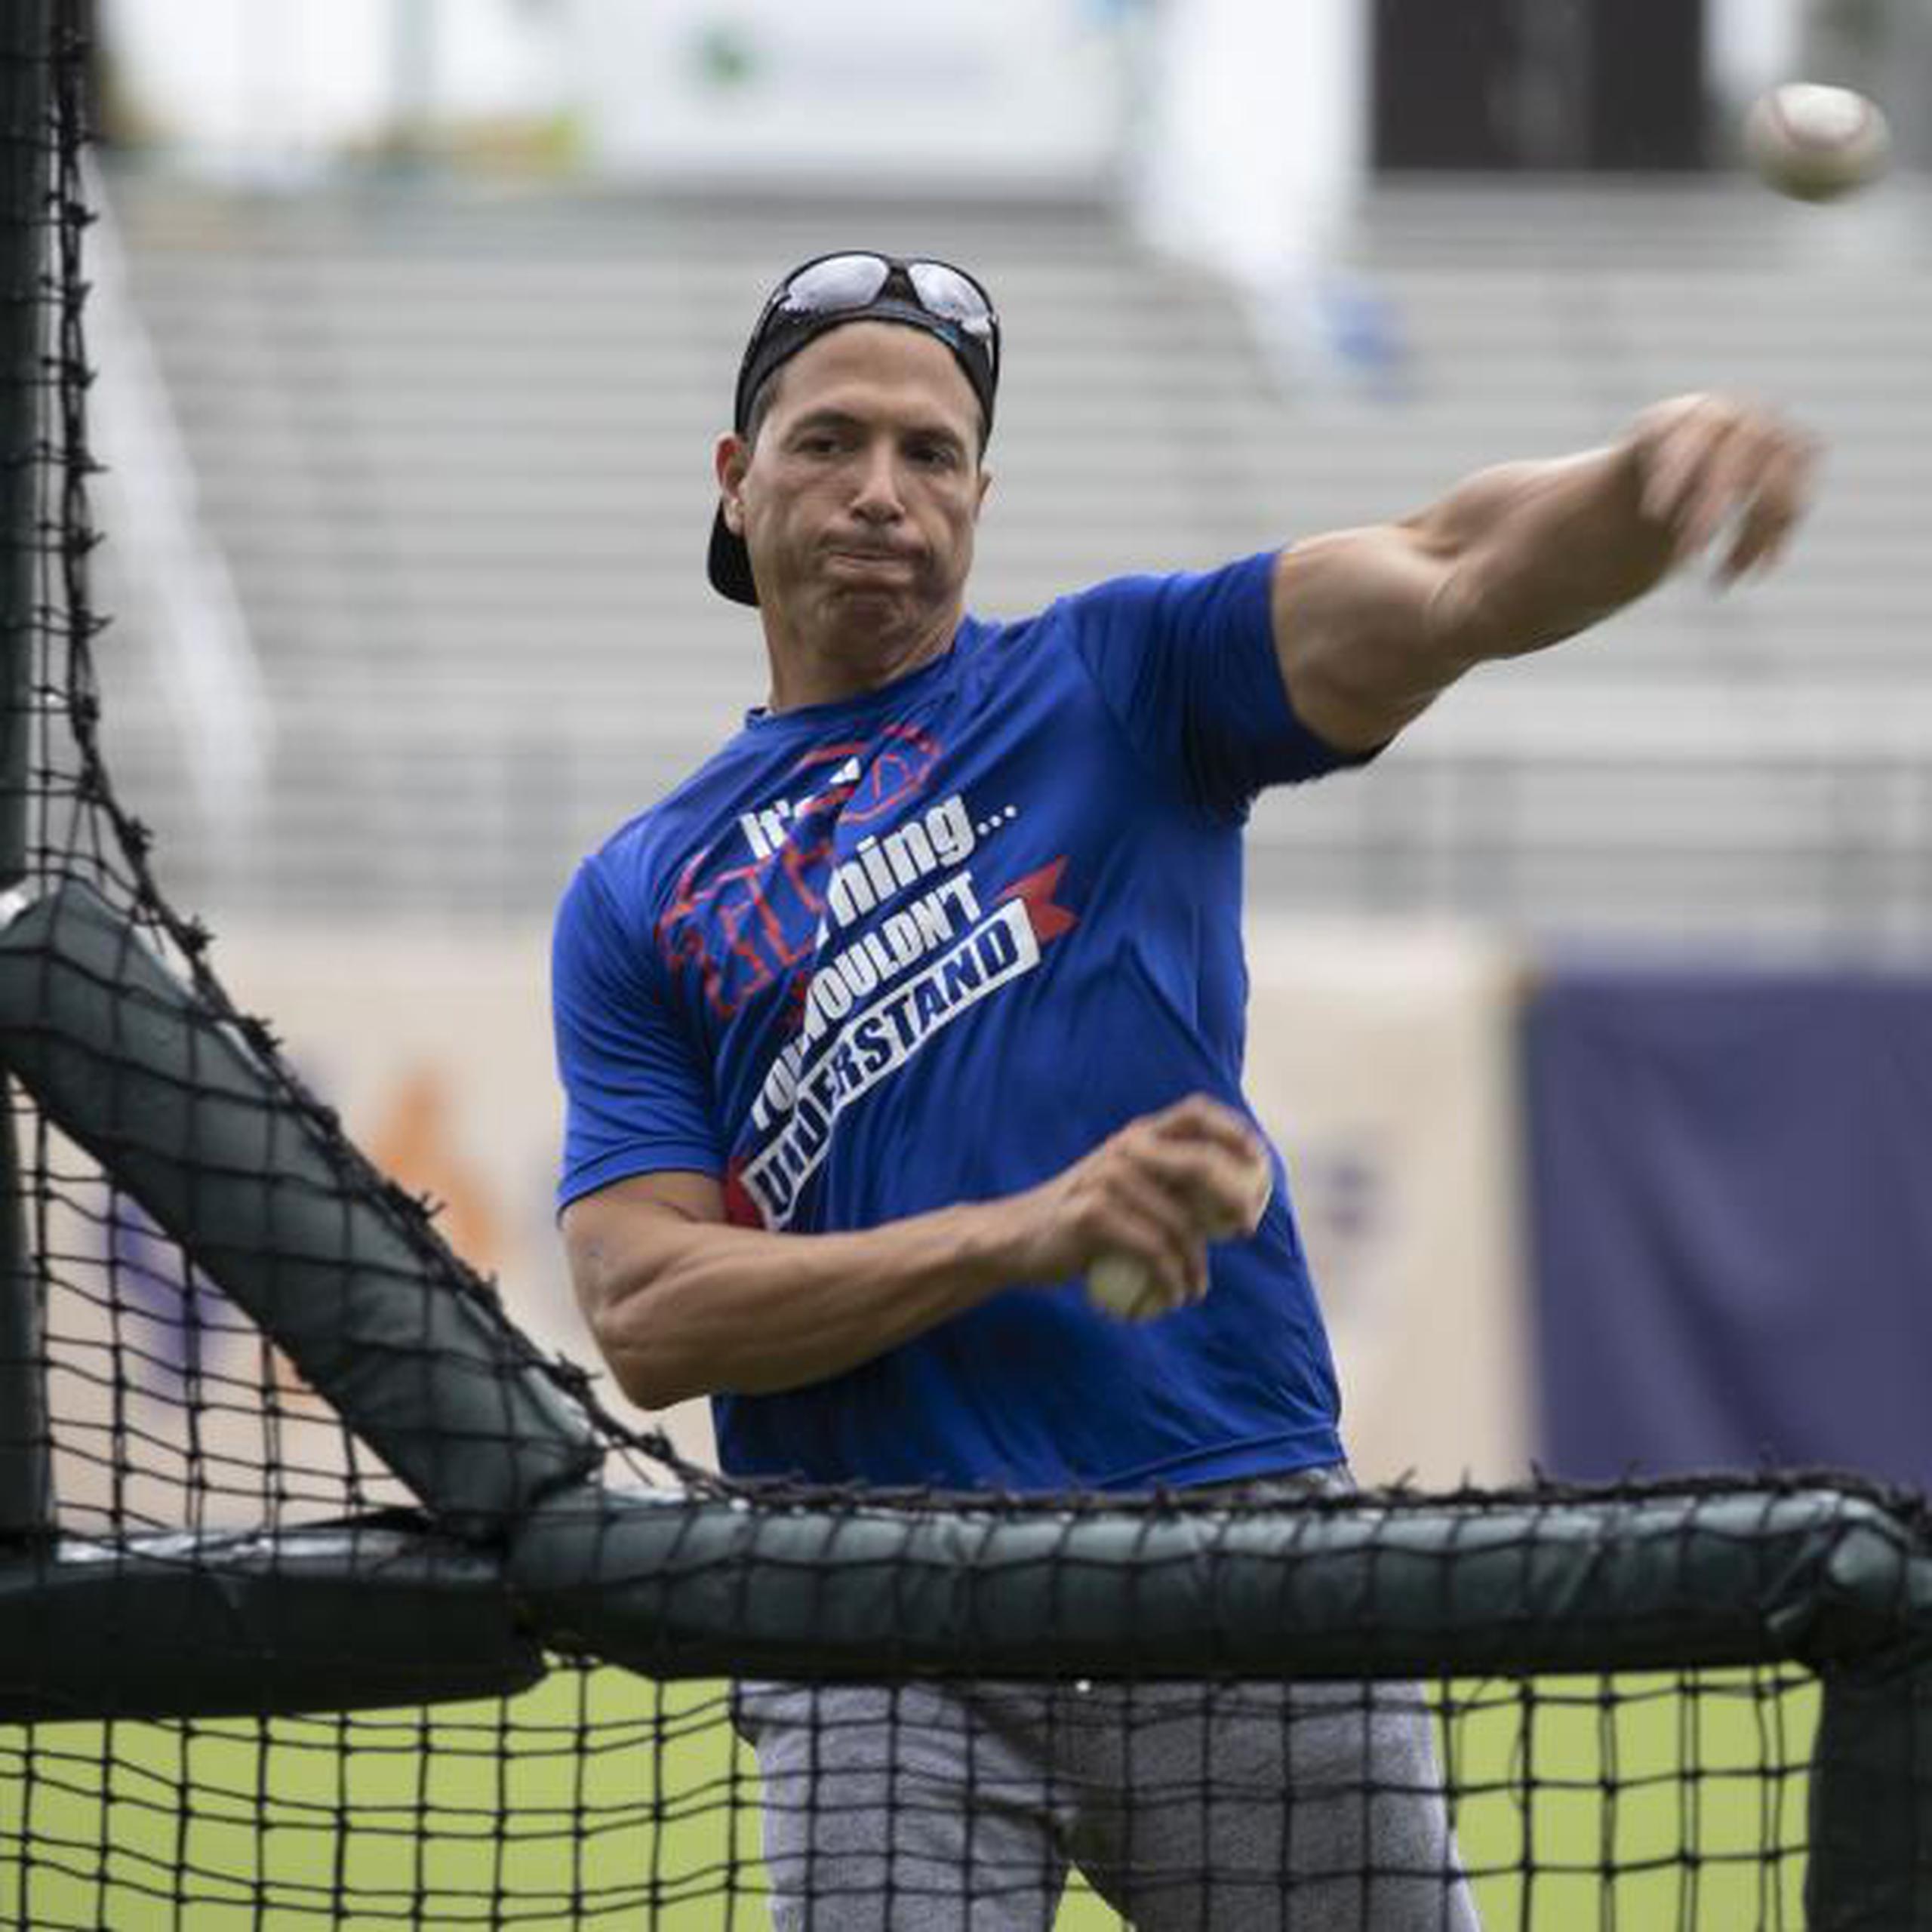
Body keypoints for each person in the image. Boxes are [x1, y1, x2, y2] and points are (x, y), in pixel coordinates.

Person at [551, 251, 1816, 1930]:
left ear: (981, 496)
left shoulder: (1116, 679)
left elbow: (1445, 571)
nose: (880, 490)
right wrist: (1022, 1232)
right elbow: (647, 1309)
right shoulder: (642, 885)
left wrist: (1638, 480)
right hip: (864, 1611)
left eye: (930, 453)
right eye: (827, 441)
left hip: (1224, 1544)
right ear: (735, 476)